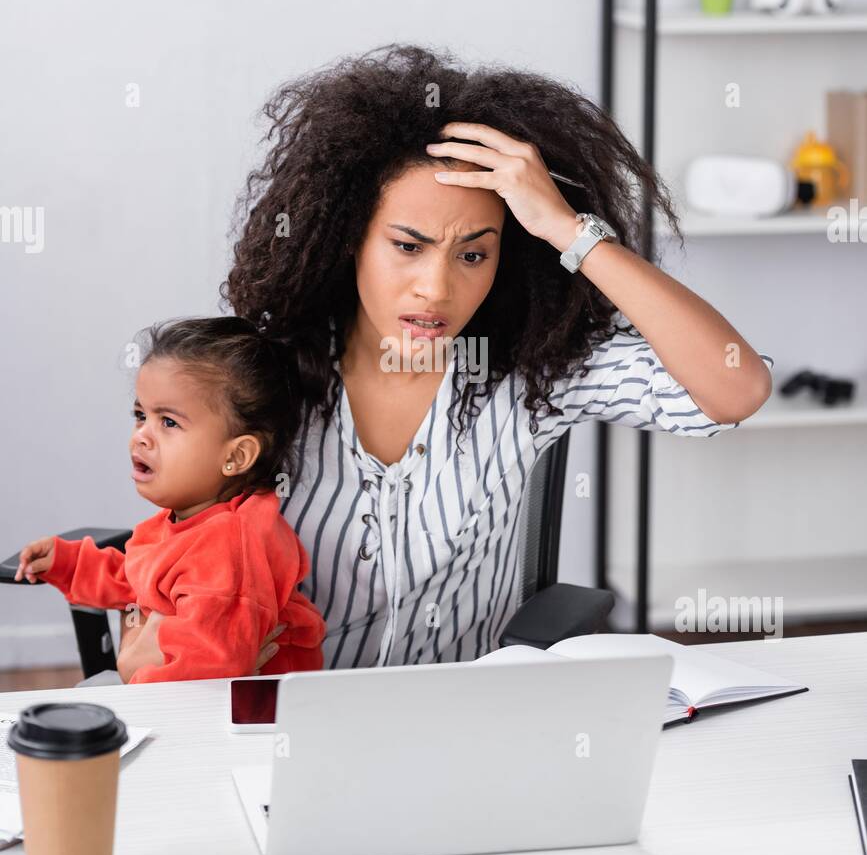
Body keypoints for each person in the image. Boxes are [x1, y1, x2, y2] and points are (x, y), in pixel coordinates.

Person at [221, 43, 773, 669]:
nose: (437, 287)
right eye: (408, 246)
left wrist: (570, 231)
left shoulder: (531, 372)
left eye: (473, 254)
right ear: (350, 239)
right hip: (288, 723)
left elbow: (737, 389)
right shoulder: (261, 375)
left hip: (468, 730)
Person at [14, 317, 325, 683]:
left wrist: (131, 668)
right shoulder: (190, 518)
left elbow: (204, 672)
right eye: (140, 415)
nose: (142, 436)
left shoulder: (229, 549)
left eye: (169, 423)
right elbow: (145, 580)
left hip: (243, 723)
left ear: (237, 457)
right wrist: (70, 564)